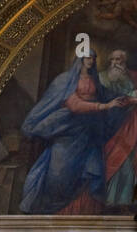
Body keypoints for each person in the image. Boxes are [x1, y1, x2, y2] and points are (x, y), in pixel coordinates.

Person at [19, 50, 130, 214]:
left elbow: (109, 96)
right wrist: (104, 106)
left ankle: (80, 212)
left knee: (90, 171)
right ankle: (50, 209)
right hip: (67, 129)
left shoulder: (95, 80)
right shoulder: (64, 80)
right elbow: (74, 105)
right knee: (59, 174)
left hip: (88, 131)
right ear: (79, 59)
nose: (91, 61)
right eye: (87, 57)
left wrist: (134, 98)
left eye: (93, 57)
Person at [98, 50, 137, 205]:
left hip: (132, 126)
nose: (118, 63)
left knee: (130, 163)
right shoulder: (102, 78)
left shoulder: (135, 76)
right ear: (109, 61)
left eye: (122, 60)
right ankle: (111, 201)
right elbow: (109, 99)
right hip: (110, 126)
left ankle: (126, 201)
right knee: (115, 161)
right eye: (115, 60)